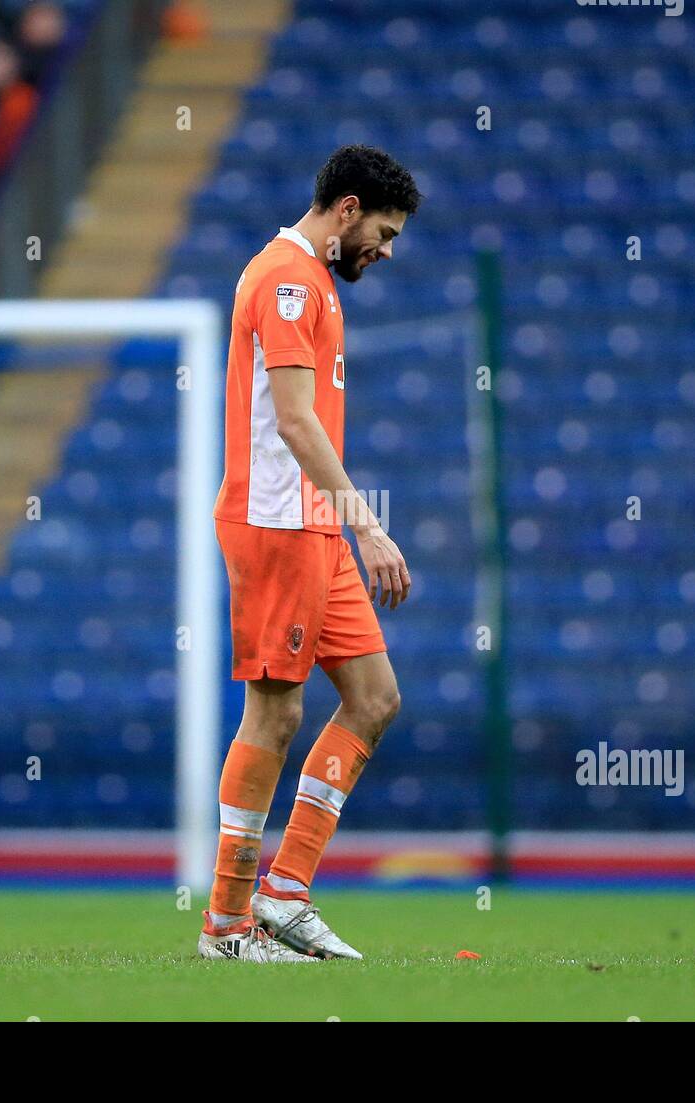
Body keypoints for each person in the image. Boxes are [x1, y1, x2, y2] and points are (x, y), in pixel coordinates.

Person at [199, 145, 421, 962]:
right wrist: (369, 522)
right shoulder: (287, 279)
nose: (387, 251)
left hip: (315, 524)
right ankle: (225, 920)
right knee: (276, 709)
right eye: (386, 232)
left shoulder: (316, 282)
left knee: (374, 696)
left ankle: (285, 892)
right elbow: (293, 423)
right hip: (277, 522)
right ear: (349, 208)